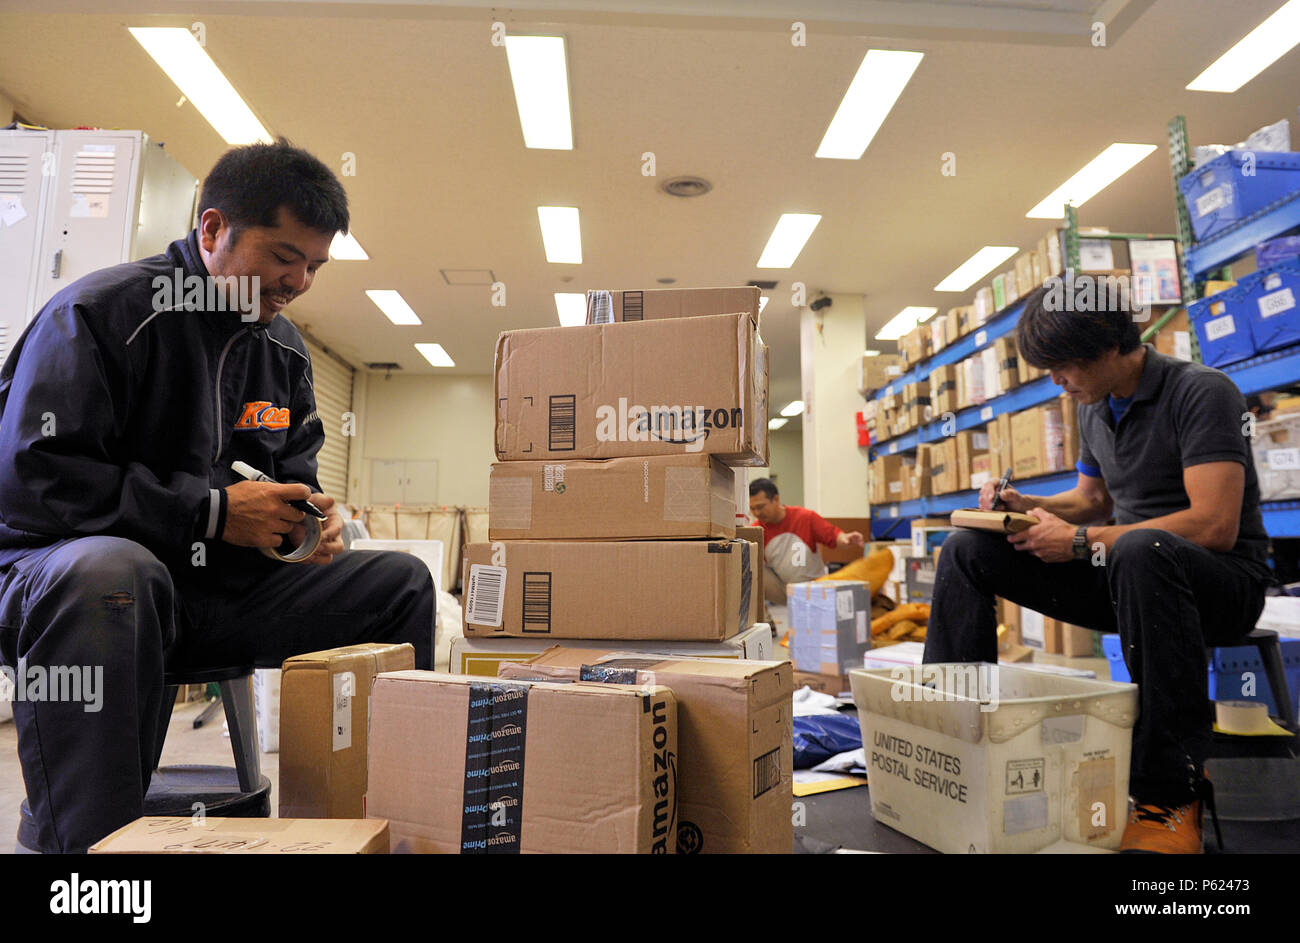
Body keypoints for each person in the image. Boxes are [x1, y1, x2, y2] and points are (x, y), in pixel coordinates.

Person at [0, 140, 436, 854]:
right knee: (115, 571)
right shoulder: (98, 314)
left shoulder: (285, 352)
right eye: (282, 256)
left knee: (399, 584)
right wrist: (209, 513)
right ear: (212, 230)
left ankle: (376, 825)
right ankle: (86, 860)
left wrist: (308, 529)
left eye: (314, 266)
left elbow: (296, 475)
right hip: (71, 591)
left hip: (213, 597)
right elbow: (34, 482)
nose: (298, 281)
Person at [924, 284, 1272, 854]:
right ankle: (953, 737)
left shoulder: (1202, 392)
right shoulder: (1094, 407)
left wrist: (1083, 542)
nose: (1058, 381)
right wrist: (1025, 508)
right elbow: (1091, 502)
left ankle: (1170, 794)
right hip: (1130, 576)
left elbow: (1214, 526)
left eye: (1064, 366)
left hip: (1221, 585)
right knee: (966, 548)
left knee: (1141, 550)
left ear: (1110, 344)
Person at [749, 478, 865, 603]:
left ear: (776, 499)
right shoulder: (756, 530)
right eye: (752, 508)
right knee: (752, 571)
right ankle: (763, 619)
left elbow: (833, 535)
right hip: (784, 590)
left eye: (760, 507)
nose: (757, 512)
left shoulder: (805, 517)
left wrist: (845, 538)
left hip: (813, 588)